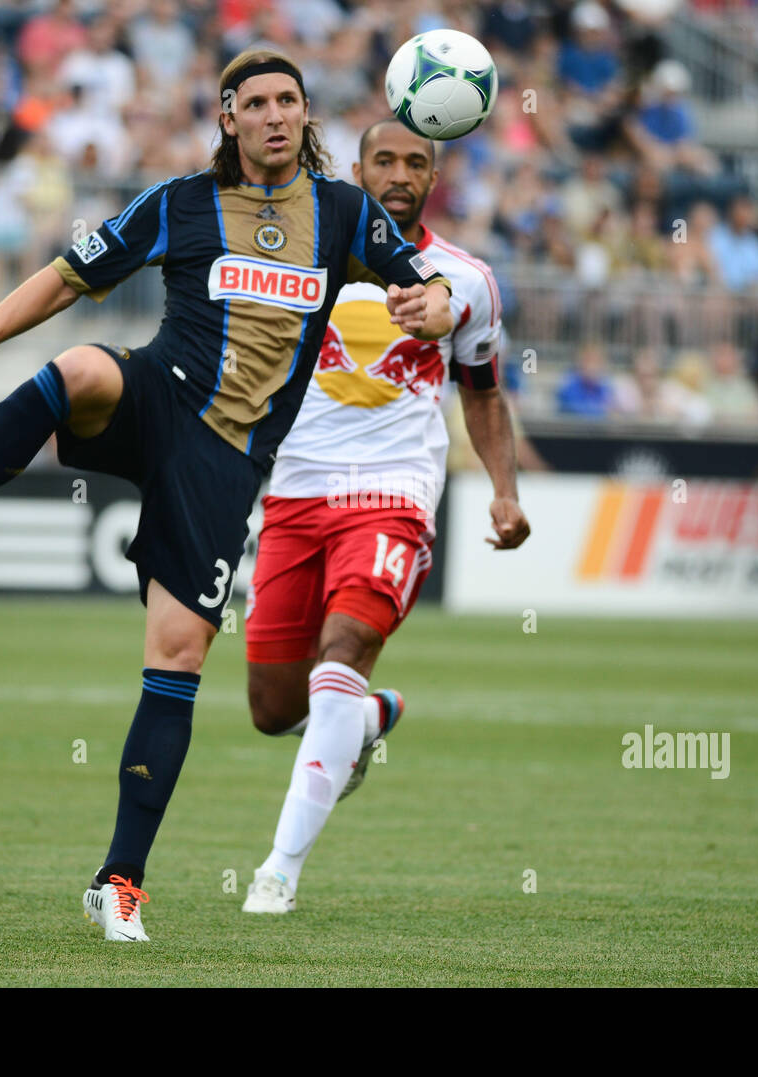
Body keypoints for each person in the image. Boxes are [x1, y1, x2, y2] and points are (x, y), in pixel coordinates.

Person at [0, 49, 453, 942]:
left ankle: (119, 880)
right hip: (159, 392)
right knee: (78, 367)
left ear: (306, 117)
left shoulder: (345, 211)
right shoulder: (178, 202)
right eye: (257, 102)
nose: (276, 114)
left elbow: (422, 282)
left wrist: (432, 305)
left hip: (225, 459)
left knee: (178, 660)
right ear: (228, 117)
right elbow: (67, 275)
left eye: (291, 101)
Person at [240, 118, 529, 913]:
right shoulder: (301, 250)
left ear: (434, 177)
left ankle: (279, 871)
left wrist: (504, 491)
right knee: (273, 707)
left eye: (416, 162)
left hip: (392, 495)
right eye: (384, 160)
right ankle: (365, 718)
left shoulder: (463, 278)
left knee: (343, 649)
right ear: (356, 168)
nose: (400, 173)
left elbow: (484, 392)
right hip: (296, 494)